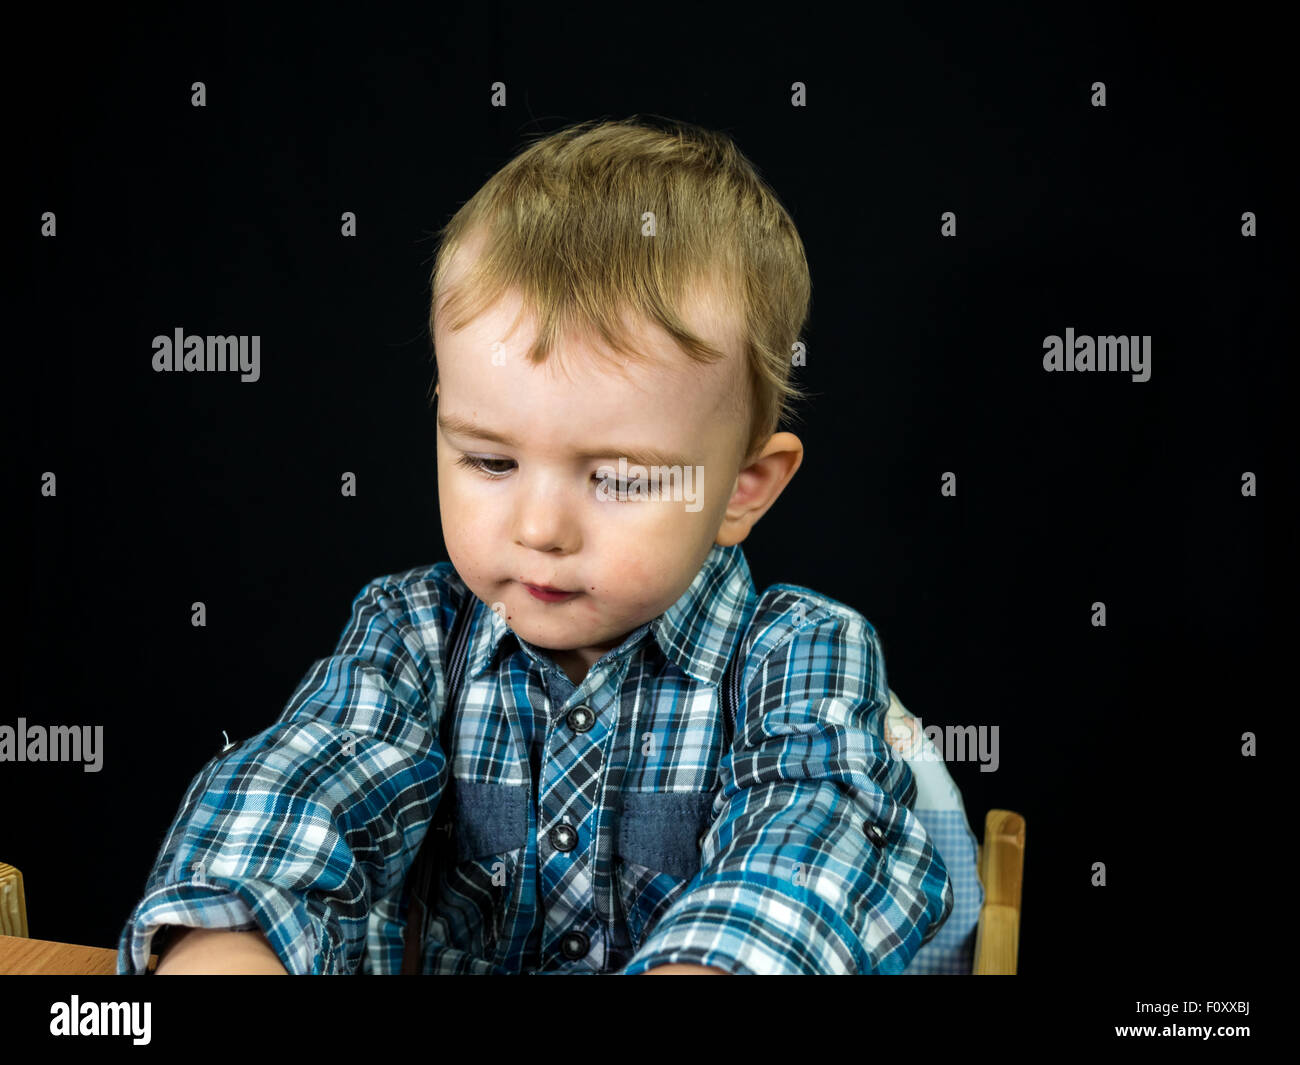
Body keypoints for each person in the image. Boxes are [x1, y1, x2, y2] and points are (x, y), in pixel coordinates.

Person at [118, 116, 954, 975]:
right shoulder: (413, 633)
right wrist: (230, 944)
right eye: (489, 458)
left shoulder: (800, 654)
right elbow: (305, 788)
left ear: (744, 486)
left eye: (621, 478)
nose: (540, 529)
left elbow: (810, 844)